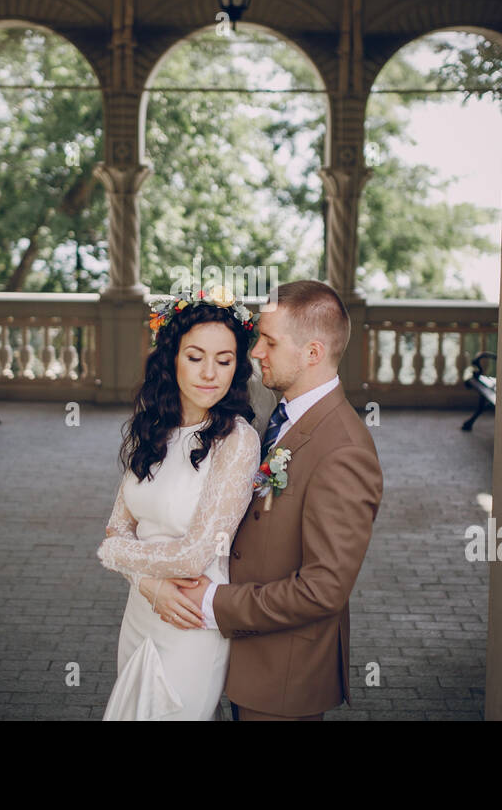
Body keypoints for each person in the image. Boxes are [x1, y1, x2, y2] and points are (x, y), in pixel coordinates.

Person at [169, 279, 384, 720]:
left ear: (312, 353)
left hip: (286, 676)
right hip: (245, 659)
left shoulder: (344, 451)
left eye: (269, 341)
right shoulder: (281, 415)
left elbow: (323, 589)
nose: (255, 353)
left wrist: (215, 603)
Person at [96, 284, 261, 720]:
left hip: (190, 622)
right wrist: (148, 586)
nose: (210, 373)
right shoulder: (152, 428)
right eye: (195, 357)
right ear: (171, 359)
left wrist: (115, 555)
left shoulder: (238, 441)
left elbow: (192, 557)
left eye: (224, 361)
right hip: (143, 612)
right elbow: (117, 527)